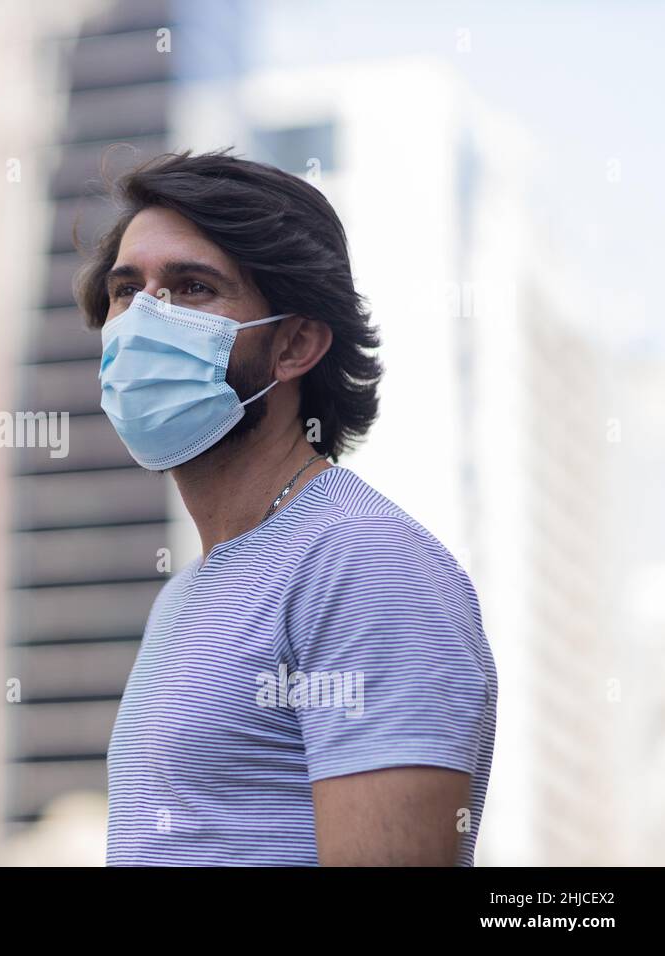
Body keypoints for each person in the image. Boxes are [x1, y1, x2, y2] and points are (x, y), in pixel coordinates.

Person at [77, 148, 498, 866]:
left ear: (296, 342)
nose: (145, 318)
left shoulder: (364, 561)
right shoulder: (186, 594)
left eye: (192, 287)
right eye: (127, 291)